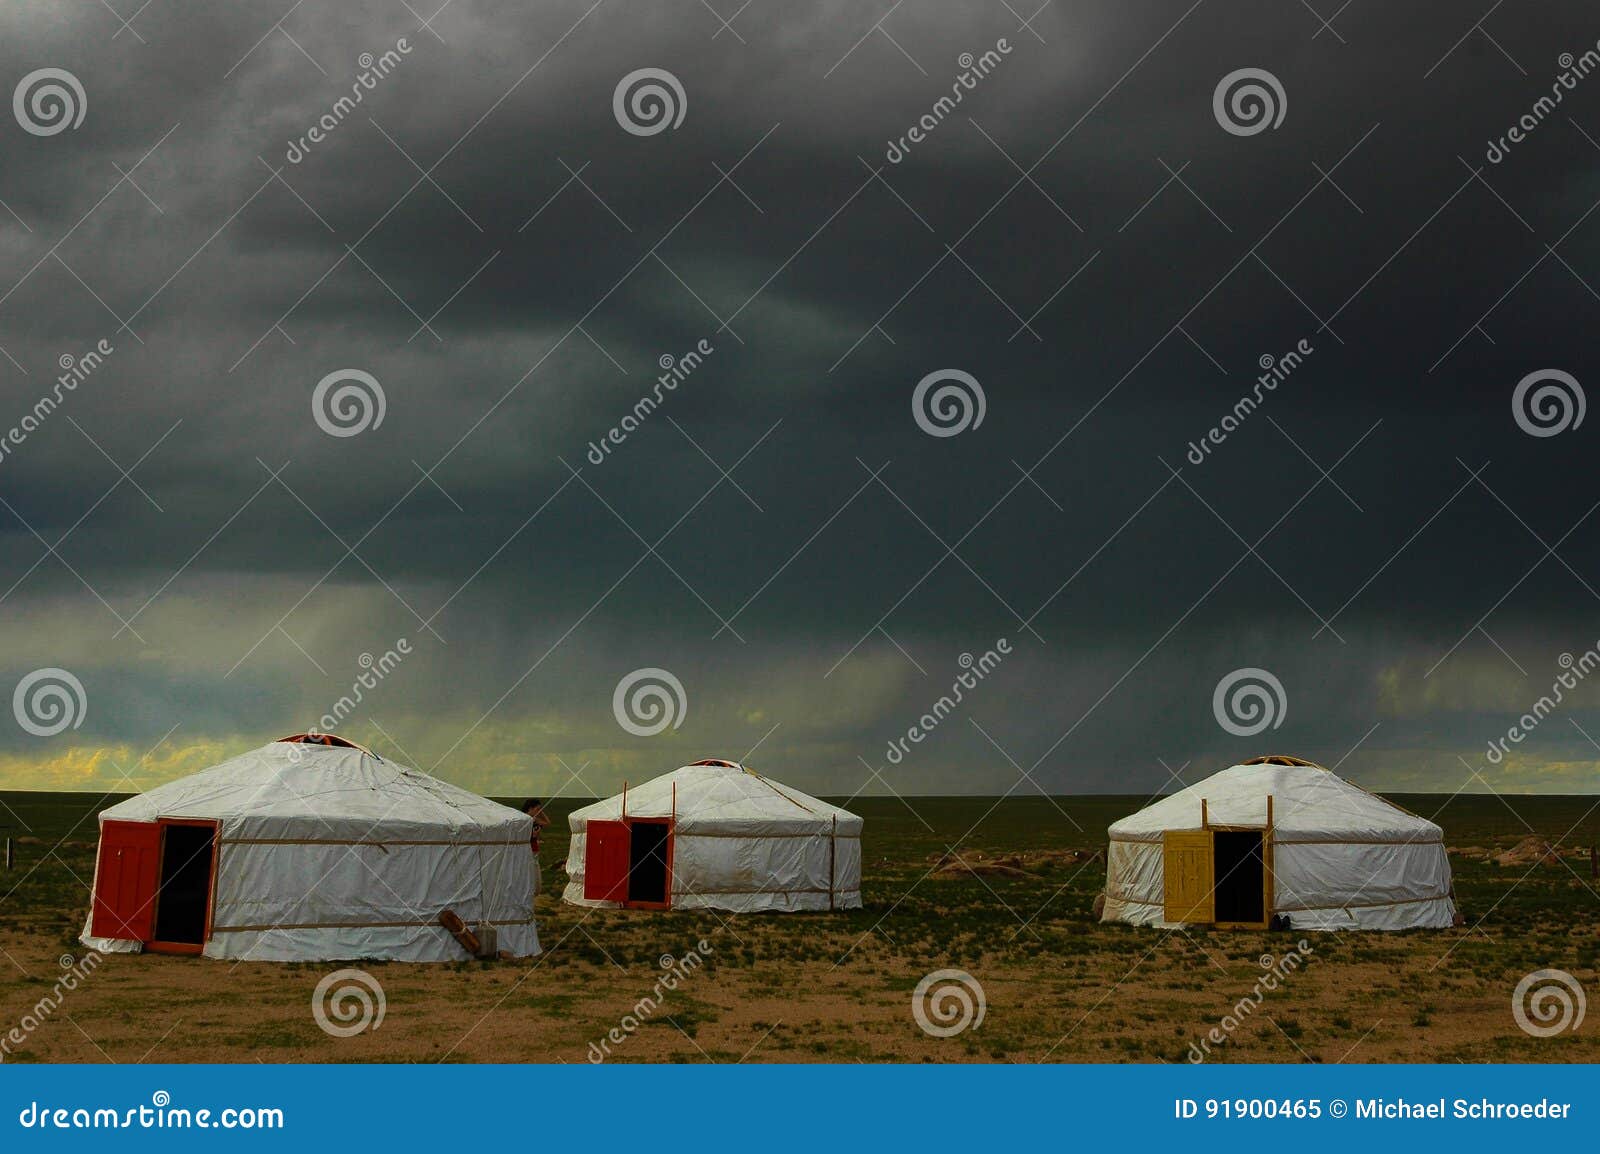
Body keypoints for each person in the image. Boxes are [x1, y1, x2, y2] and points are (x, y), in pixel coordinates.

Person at [522, 799, 551, 897]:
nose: (539, 811)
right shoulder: (523, 820)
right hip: (527, 851)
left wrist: (540, 811)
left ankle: (533, 892)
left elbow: (547, 823)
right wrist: (533, 835)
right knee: (530, 874)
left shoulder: (535, 820)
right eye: (537, 809)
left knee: (535, 875)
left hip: (534, 850)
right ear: (530, 808)